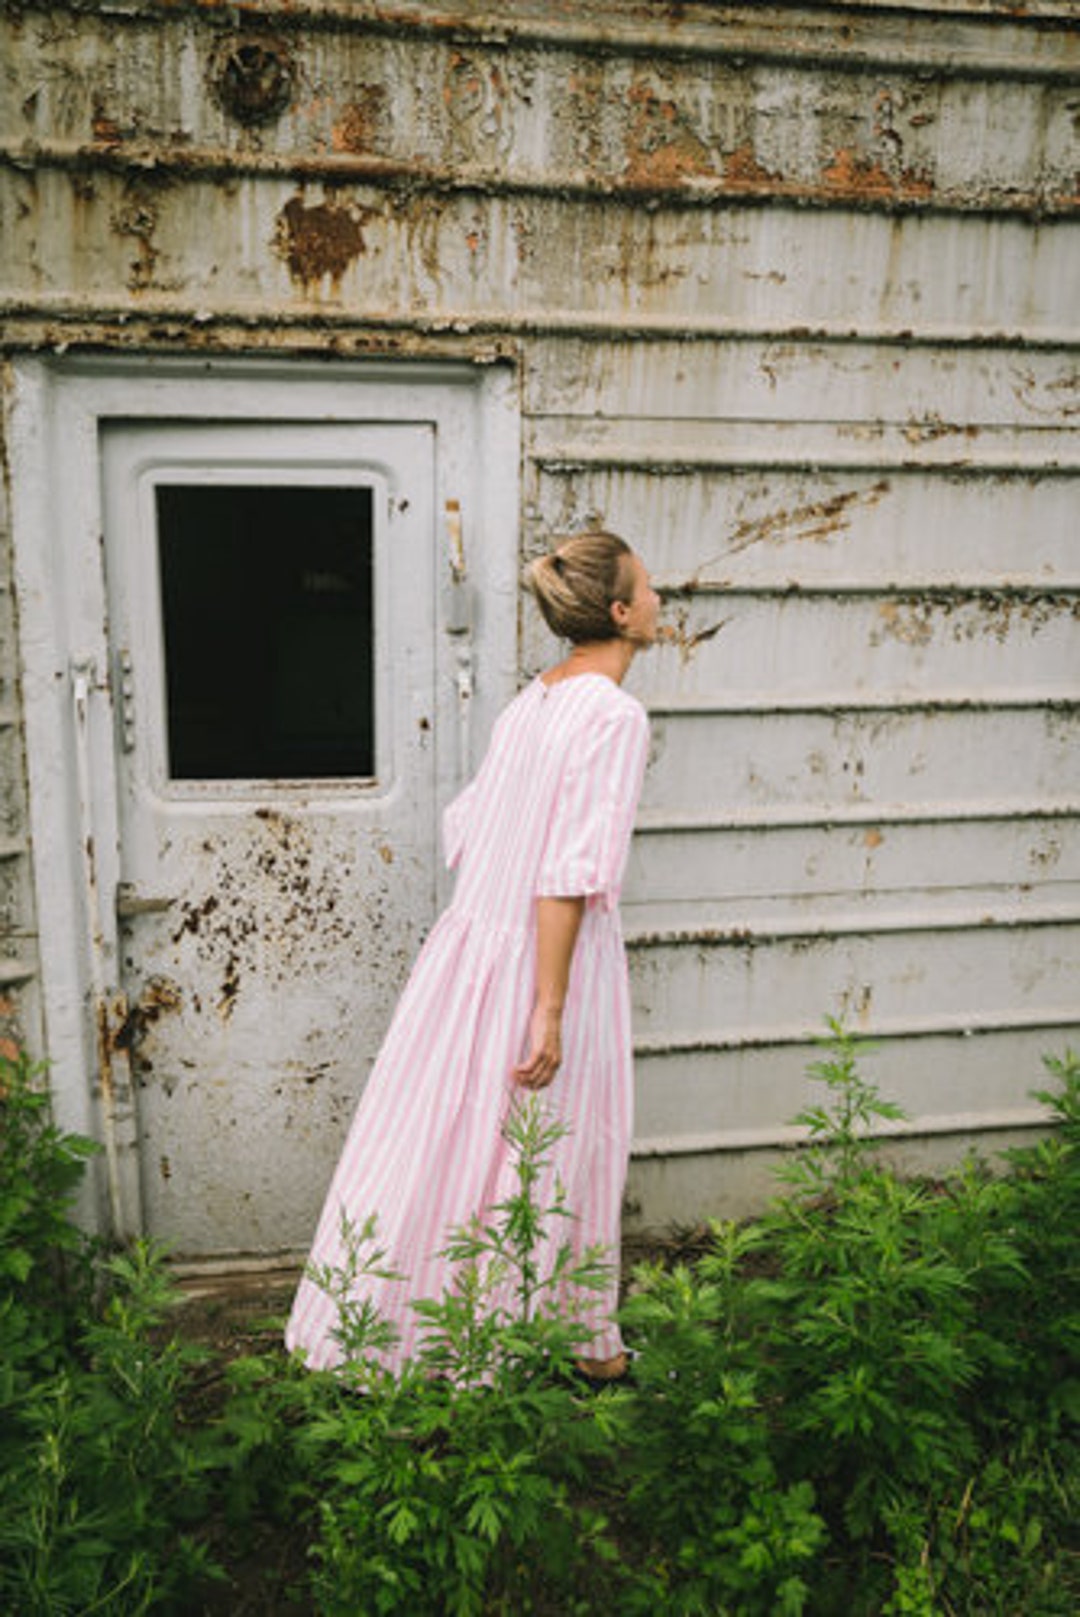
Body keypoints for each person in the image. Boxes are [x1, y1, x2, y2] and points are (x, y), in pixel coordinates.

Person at [285, 531, 660, 1382]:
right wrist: (550, 1006)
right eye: (648, 587)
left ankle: (446, 1329)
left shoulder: (533, 702)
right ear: (619, 611)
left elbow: (474, 832)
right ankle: (536, 1343)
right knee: (559, 1144)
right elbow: (567, 873)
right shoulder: (614, 716)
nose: (659, 599)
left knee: (443, 1142)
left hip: (475, 954)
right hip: (545, 959)